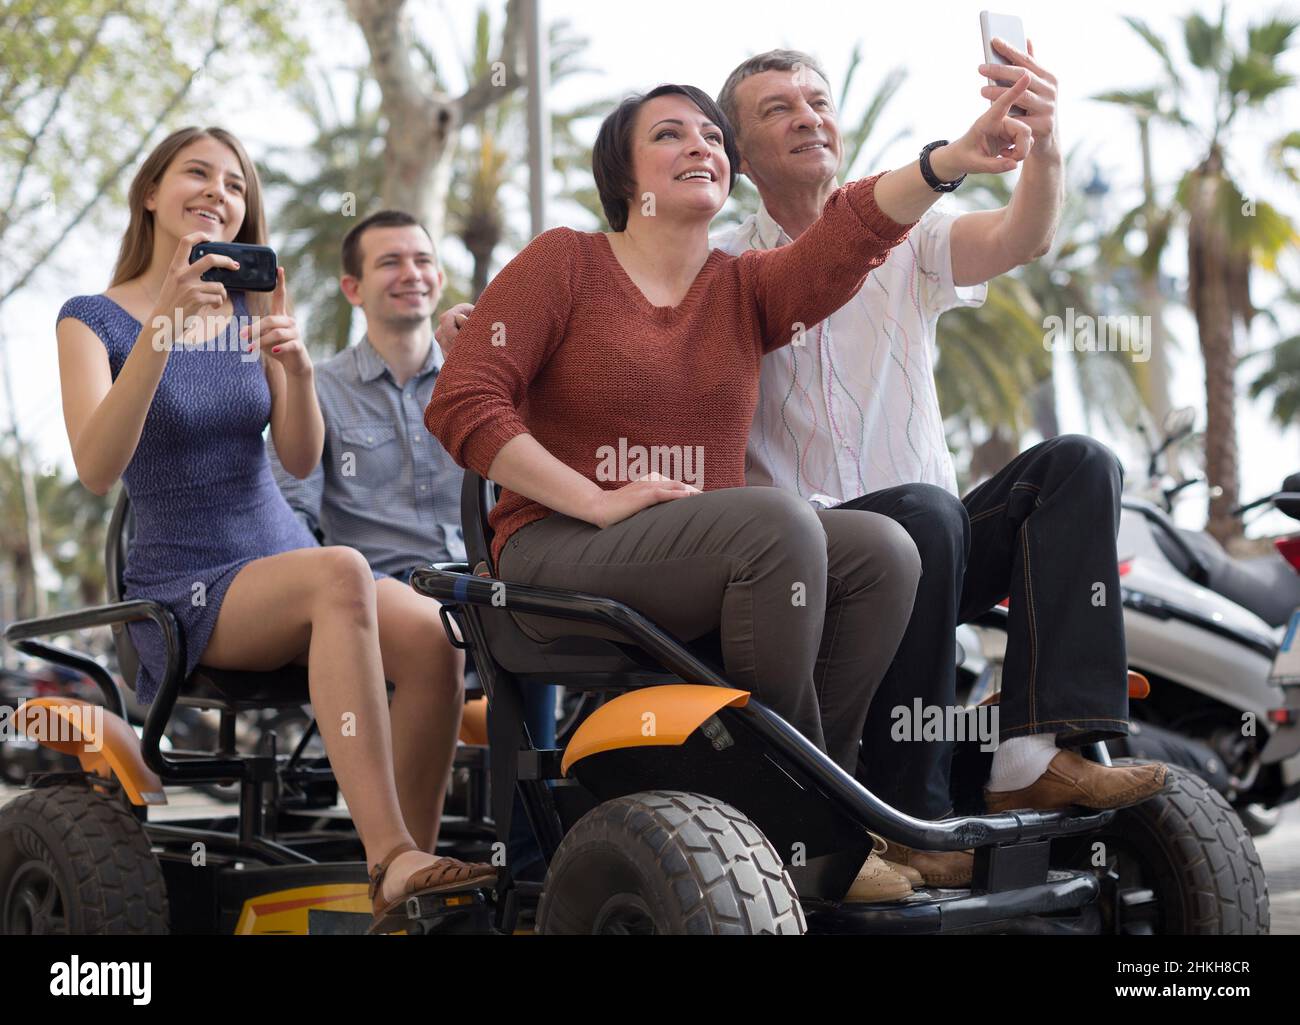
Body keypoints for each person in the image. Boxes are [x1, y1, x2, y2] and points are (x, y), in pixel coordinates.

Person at [425, 80, 1033, 901]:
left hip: (698, 551)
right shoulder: (564, 261)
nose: (700, 146)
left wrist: (948, 161)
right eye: (669, 134)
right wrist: (593, 498)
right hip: (557, 549)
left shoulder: (741, 287)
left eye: (713, 136)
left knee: (885, 548)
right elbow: (463, 400)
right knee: (778, 523)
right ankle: (809, 832)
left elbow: (849, 233)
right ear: (623, 174)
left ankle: (814, 811)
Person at [705, 45, 1167, 886]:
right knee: (922, 511)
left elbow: (1024, 236)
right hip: (812, 576)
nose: (808, 116)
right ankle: (910, 817)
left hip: (937, 550)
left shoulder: (908, 235)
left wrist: (1044, 142)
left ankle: (1031, 754)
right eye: (778, 109)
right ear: (738, 154)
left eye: (818, 101)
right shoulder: (723, 270)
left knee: (1078, 464)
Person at [55, 125, 493, 931]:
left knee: (437, 634)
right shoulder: (91, 319)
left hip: (288, 563)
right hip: (189, 583)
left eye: (235, 185)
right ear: (150, 192)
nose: (218, 193)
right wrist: (160, 330)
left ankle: (410, 884)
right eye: (198, 174)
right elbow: (96, 465)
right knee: (341, 569)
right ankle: (390, 854)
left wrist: (294, 371)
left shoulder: (248, 307)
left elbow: (296, 454)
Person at [267, 207, 555, 872]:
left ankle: (537, 859)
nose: (411, 274)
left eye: (422, 260)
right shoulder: (319, 388)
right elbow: (294, 513)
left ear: (440, 276)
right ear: (353, 288)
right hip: (376, 594)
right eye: (389, 262)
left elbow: (527, 480)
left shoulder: (478, 380)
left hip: (479, 580)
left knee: (550, 614)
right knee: (450, 630)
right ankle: (411, 865)